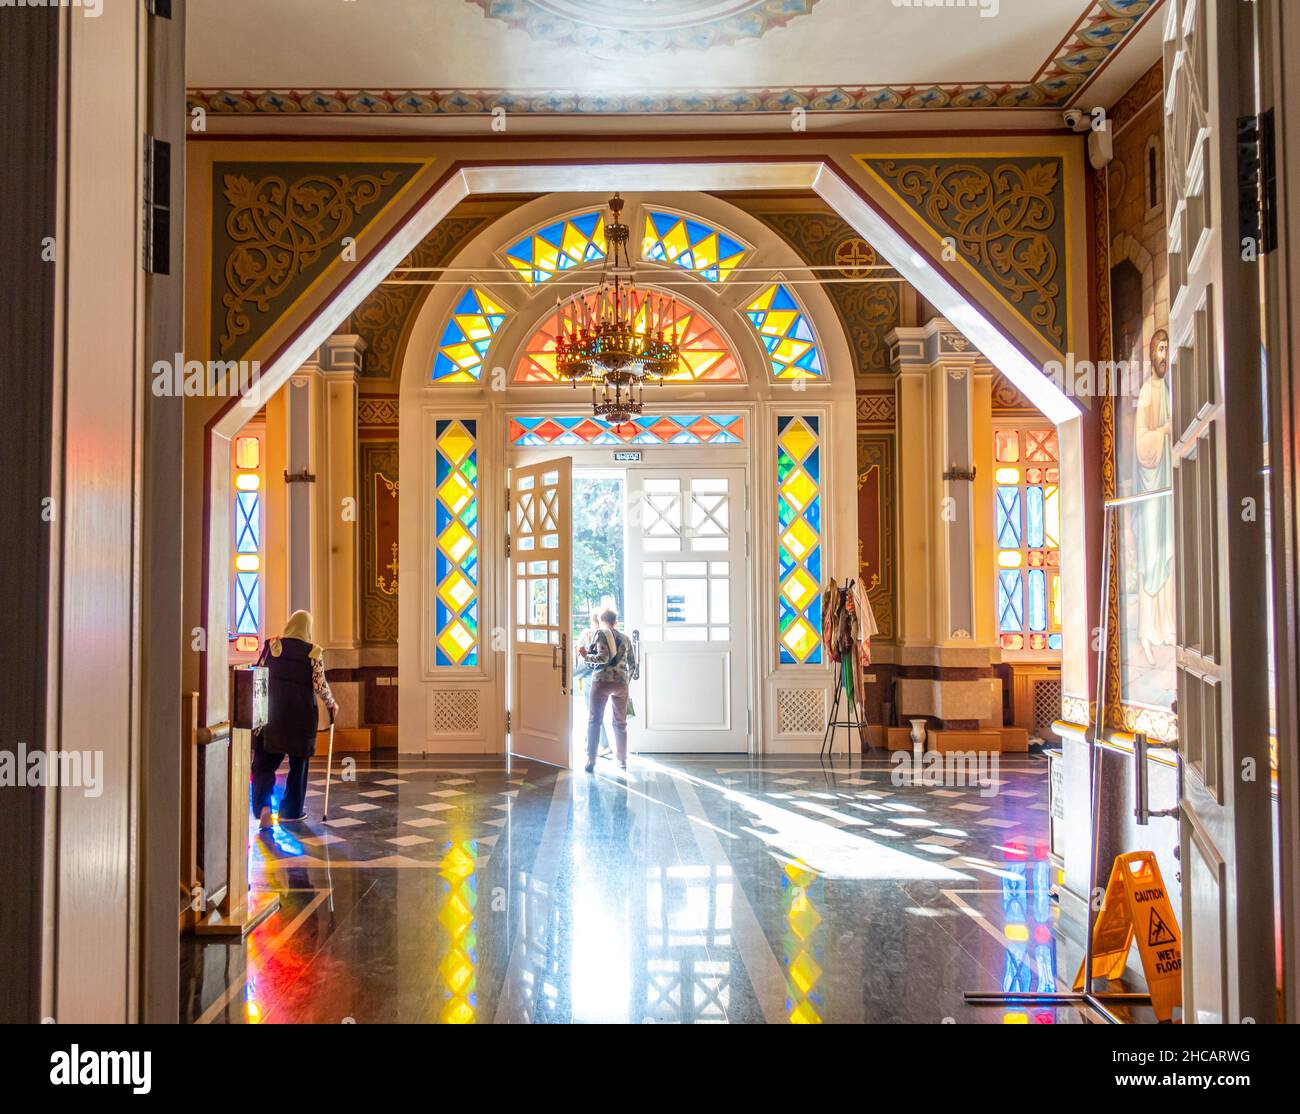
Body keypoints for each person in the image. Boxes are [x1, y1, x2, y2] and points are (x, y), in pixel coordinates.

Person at [251, 609, 337, 828]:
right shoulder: (314, 652)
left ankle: (264, 807)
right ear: (307, 628)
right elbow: (320, 685)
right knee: (299, 765)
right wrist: (331, 704)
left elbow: (258, 677)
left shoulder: (272, 646)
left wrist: (257, 714)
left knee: (263, 765)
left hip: (273, 714)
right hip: (301, 716)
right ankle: (291, 810)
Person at [577, 608, 633, 773]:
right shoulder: (626, 638)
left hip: (601, 681)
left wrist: (585, 655)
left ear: (600, 621)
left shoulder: (600, 634)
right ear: (616, 621)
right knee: (620, 722)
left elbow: (603, 658)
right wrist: (625, 681)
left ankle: (591, 758)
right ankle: (622, 760)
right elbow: (633, 664)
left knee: (594, 720)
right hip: (621, 683)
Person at [573, 608, 612, 757]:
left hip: (591, 676)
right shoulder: (607, 635)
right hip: (603, 676)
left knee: (593, 712)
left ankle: (603, 744)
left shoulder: (587, 633)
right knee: (594, 711)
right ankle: (588, 740)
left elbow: (579, 655)